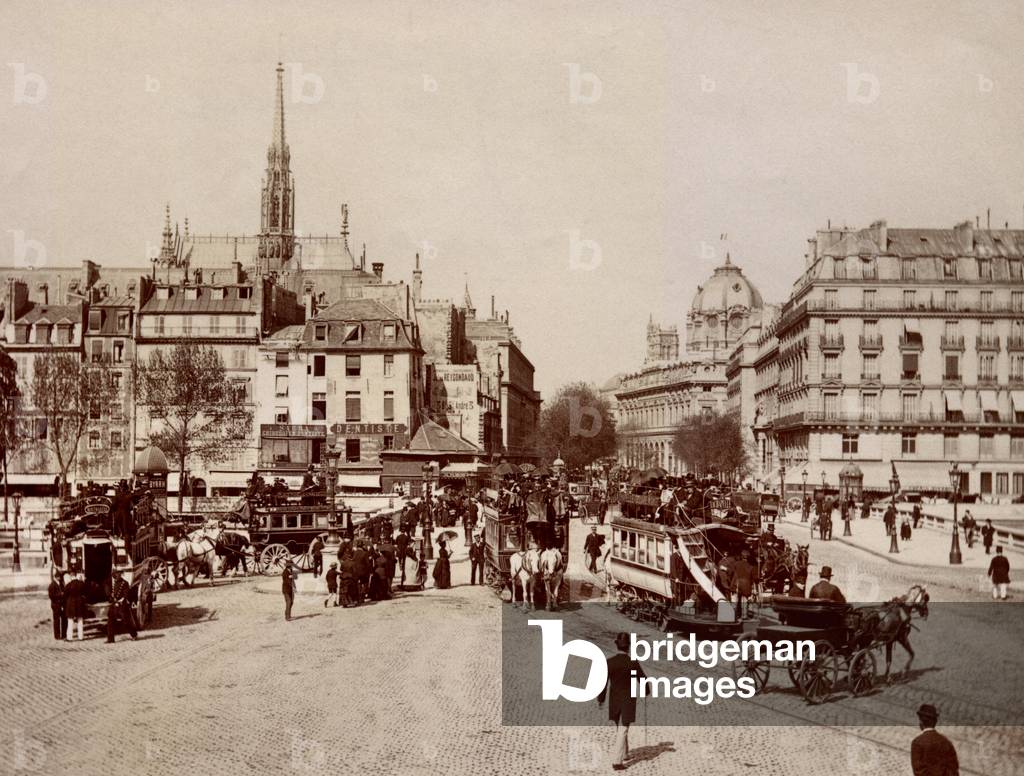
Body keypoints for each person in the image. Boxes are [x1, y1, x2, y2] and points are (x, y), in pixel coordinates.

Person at [597, 632, 647, 771]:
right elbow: (643, 680)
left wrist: (601, 699)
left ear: (617, 646)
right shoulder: (633, 663)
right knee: (623, 729)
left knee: (620, 729)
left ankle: (625, 754)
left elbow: (603, 683)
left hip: (614, 700)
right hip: (628, 700)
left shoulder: (610, 662)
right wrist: (646, 691)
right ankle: (616, 761)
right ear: (628, 647)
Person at [910, 703, 959, 775]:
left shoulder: (917, 743)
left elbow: (918, 771)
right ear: (935, 722)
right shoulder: (946, 742)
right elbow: (953, 769)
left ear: (921, 723)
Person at [105, 569, 138, 643]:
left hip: (122, 605)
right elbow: (108, 592)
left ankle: (134, 634)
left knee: (126, 621)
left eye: (118, 574)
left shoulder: (125, 583)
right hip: (113, 604)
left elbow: (126, 594)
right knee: (110, 621)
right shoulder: (110, 582)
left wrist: (119, 602)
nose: (116, 576)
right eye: (115, 574)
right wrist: (112, 600)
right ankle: (110, 639)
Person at [64, 571, 87, 641]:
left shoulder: (68, 585)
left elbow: (65, 594)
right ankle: (81, 637)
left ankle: (69, 637)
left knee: (70, 621)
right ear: (76, 575)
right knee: (80, 620)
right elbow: (85, 592)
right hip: (80, 604)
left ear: (71, 576)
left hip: (71, 604)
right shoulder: (81, 584)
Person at [732, 549, 754, 620]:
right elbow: (752, 578)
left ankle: (733, 615)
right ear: (748, 557)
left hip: (737, 583)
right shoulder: (750, 566)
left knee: (735, 600)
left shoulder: (736, 564)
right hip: (746, 585)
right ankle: (744, 615)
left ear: (741, 556)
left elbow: (731, 573)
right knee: (744, 601)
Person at [47, 574, 67, 641]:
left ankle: (64, 634)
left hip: (62, 604)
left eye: (60, 577)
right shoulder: (52, 585)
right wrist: (60, 594)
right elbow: (51, 596)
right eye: (59, 577)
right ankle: (57, 635)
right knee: (56, 620)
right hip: (56, 604)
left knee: (64, 619)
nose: (60, 578)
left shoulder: (61, 584)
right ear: (55, 577)